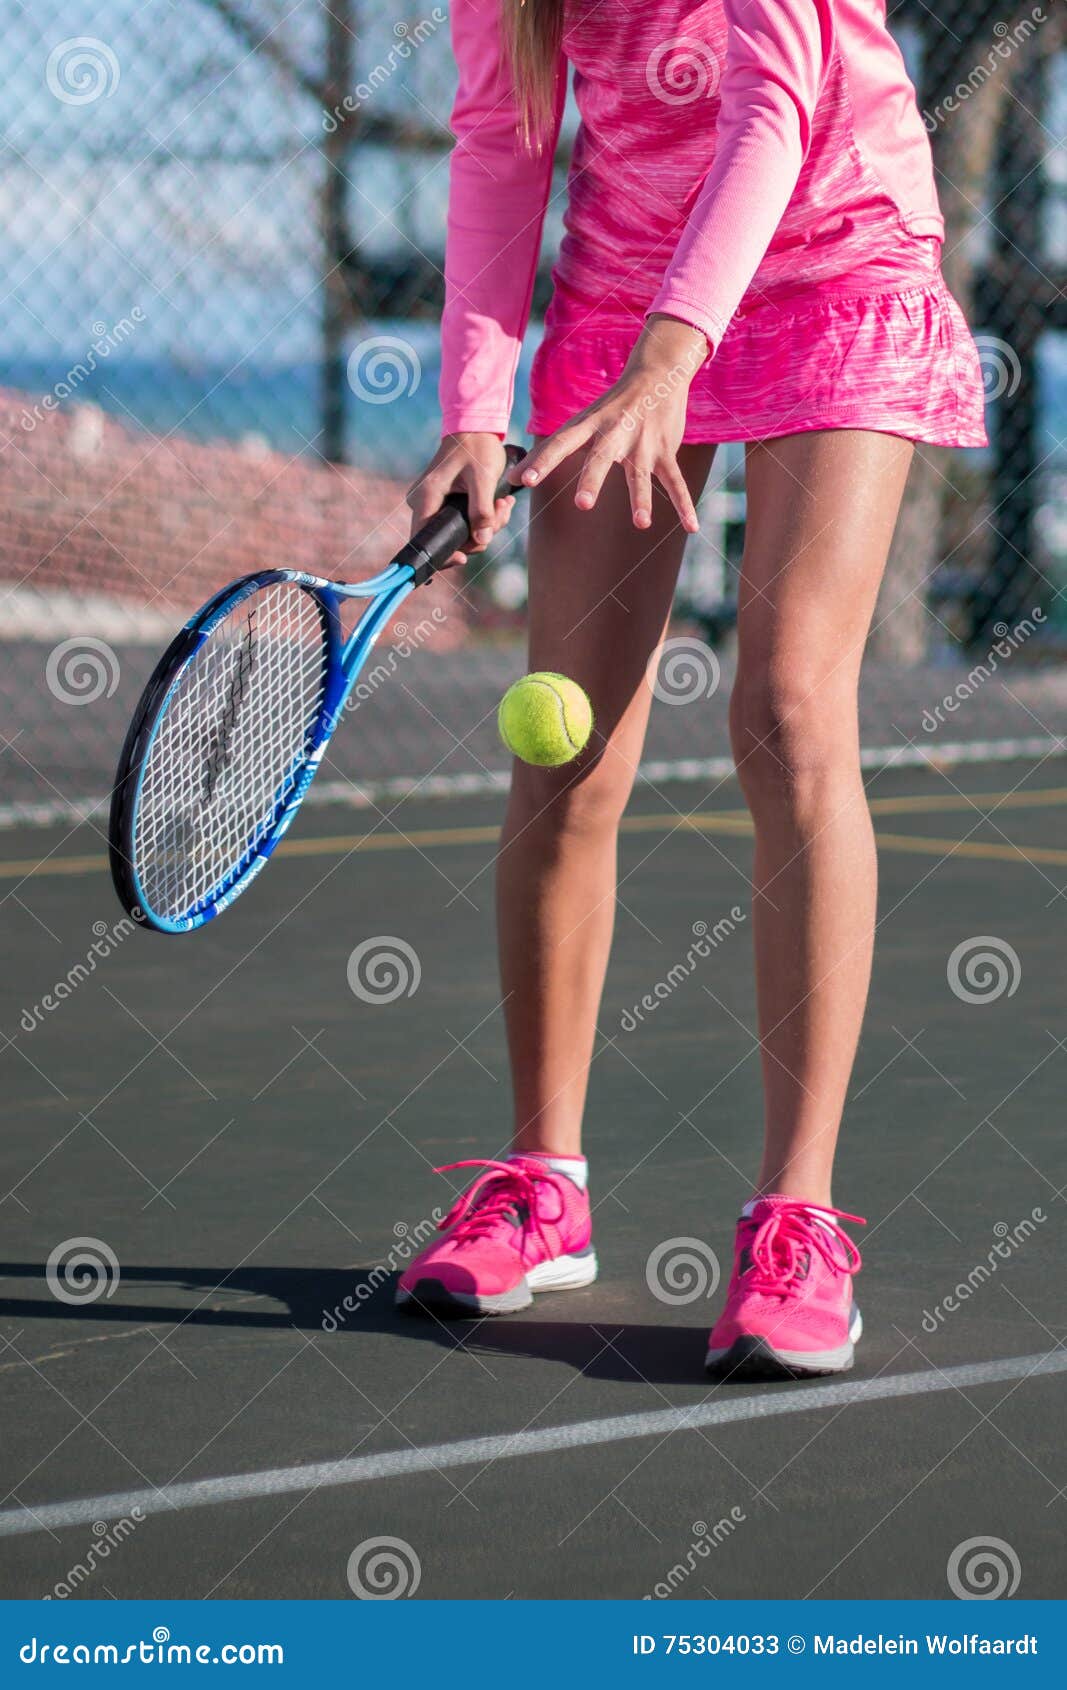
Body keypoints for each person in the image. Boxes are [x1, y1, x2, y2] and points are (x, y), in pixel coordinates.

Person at [395, 0, 987, 1378]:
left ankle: (797, 1219)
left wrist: (678, 357)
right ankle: (544, 1188)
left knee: (784, 710)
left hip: (838, 259)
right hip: (622, 289)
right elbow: (500, 136)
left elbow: (777, 97)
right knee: (566, 740)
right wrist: (474, 415)